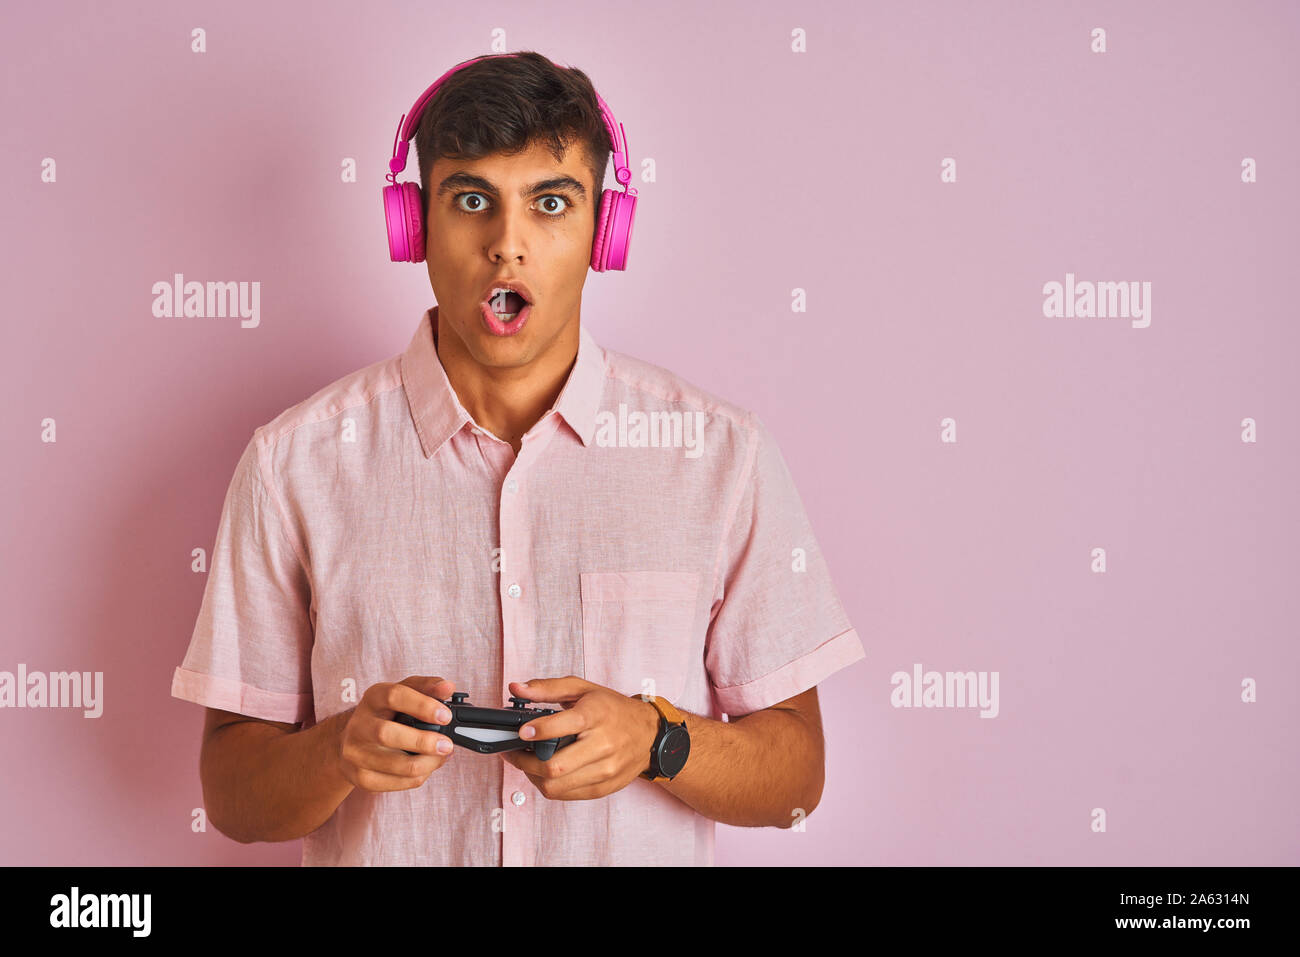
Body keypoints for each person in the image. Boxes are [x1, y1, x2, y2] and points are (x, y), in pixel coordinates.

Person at [170, 50, 864, 866]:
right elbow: (232, 793)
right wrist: (338, 752)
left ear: (604, 232)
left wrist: (655, 737)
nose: (508, 245)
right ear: (414, 226)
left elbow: (796, 779)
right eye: (471, 200)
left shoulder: (721, 456)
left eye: (550, 202)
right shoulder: (294, 464)